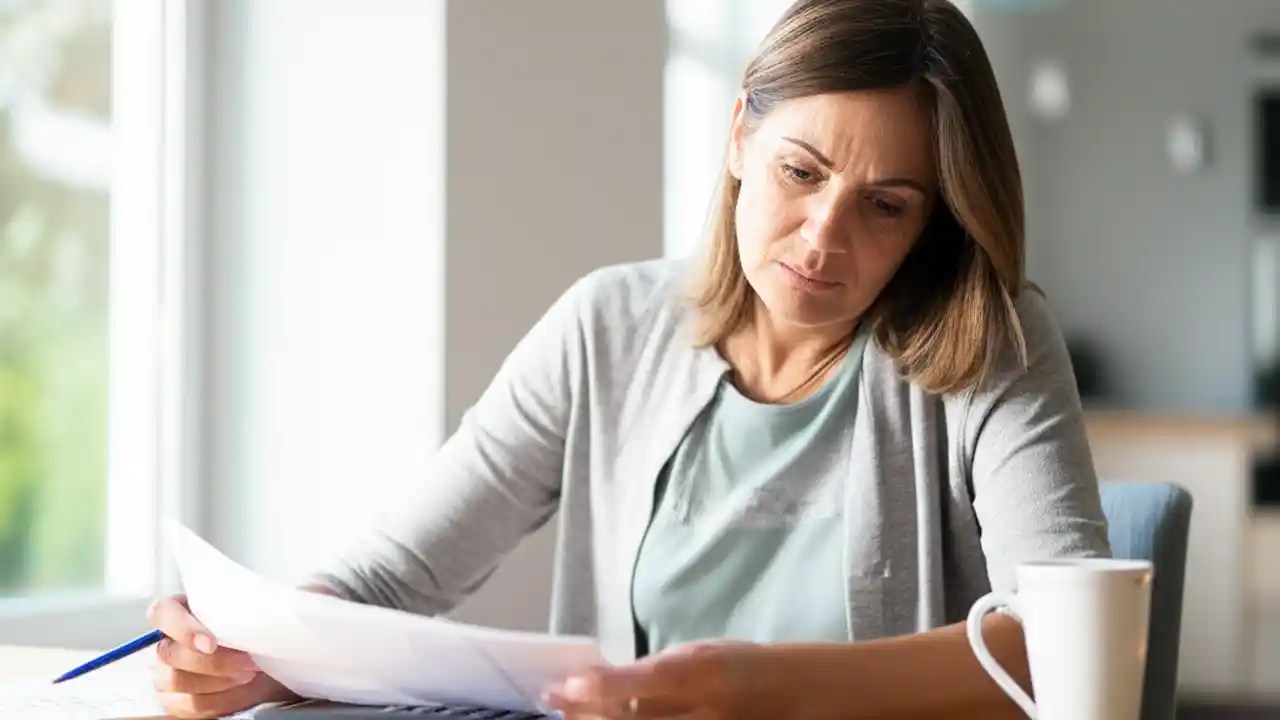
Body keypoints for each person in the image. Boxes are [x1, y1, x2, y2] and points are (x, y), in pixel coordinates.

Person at [147, 0, 1111, 717]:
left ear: (935, 219)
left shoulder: (993, 341)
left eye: (888, 204)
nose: (823, 237)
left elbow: (1068, 644)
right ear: (741, 135)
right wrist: (261, 652)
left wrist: (761, 686)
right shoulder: (607, 324)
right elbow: (394, 575)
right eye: (800, 173)